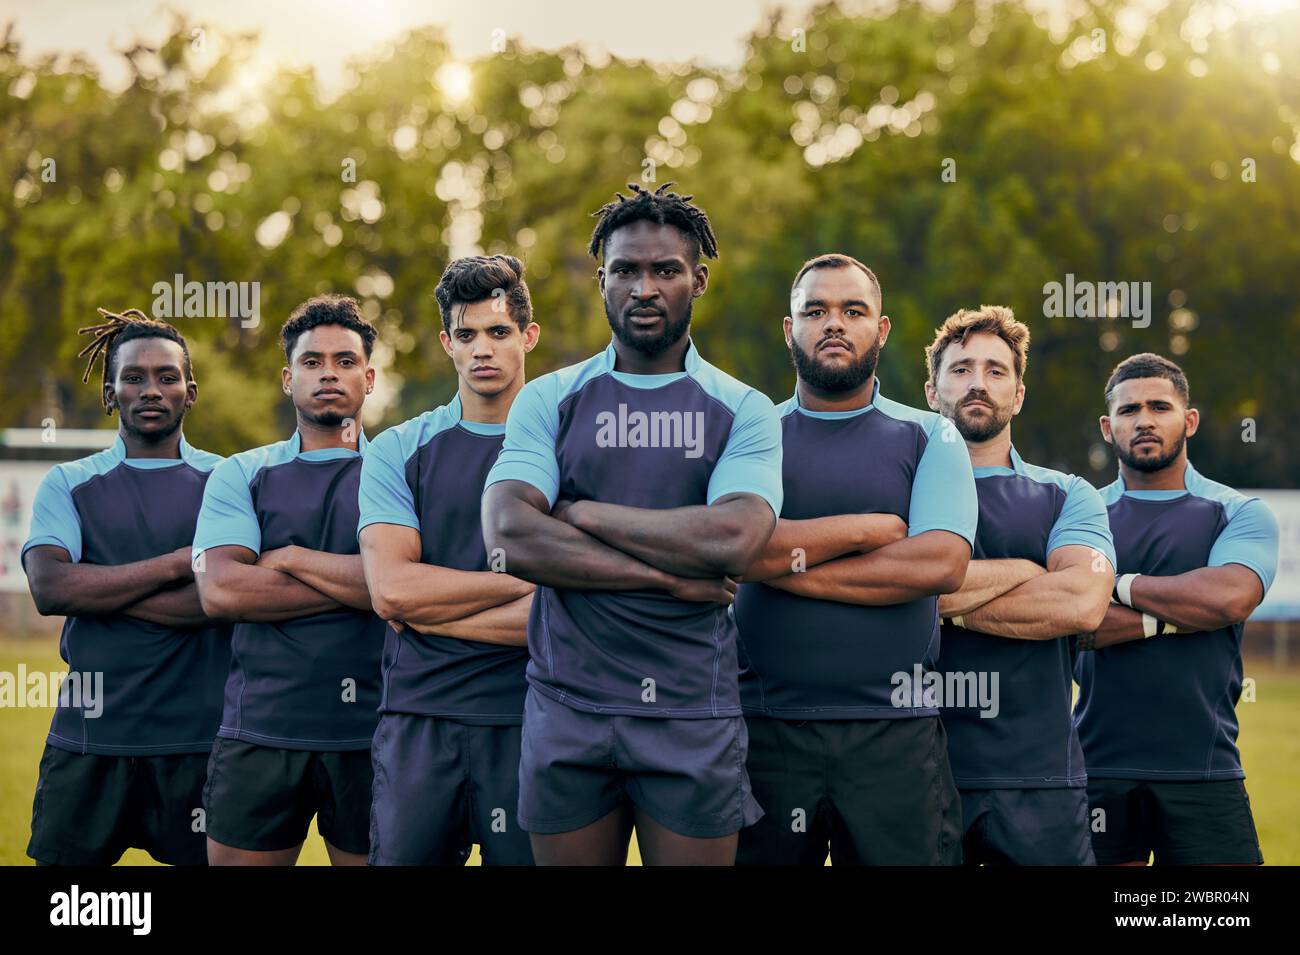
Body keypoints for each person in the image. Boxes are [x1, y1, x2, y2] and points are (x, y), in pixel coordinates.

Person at [481, 183, 783, 865]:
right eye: (625, 270)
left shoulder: (743, 408)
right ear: (602, 282)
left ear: (697, 281)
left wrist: (583, 513)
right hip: (567, 706)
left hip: (691, 711)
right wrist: (669, 577)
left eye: (665, 270)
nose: (644, 288)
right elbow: (508, 535)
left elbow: (733, 539)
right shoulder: (549, 398)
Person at [23, 309, 230, 865]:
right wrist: (178, 563)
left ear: (190, 392)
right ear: (110, 394)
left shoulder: (227, 482)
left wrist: (100, 590)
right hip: (90, 739)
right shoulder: (69, 482)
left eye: (167, 376)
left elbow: (222, 599)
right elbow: (50, 588)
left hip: (200, 743)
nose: (151, 389)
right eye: (133, 377)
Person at [194, 296, 386, 866]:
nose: (329, 373)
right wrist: (365, 586)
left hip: (375, 734)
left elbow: (404, 587)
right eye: (312, 362)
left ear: (369, 378)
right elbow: (221, 590)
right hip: (261, 731)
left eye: (346, 362)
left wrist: (291, 557)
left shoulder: (400, 470)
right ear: (288, 378)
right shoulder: (241, 472)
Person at [360, 255, 539, 865]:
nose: (482, 348)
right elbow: (391, 592)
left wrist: (427, 612)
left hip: (533, 717)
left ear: (528, 336)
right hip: (419, 719)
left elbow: (571, 612)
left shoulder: (567, 448)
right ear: (447, 344)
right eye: (466, 335)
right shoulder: (398, 449)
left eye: (499, 331)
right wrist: (522, 586)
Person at [925, 305, 1114, 865]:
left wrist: (937, 600)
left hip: (1040, 777)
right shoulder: (898, 489)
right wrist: (1027, 571)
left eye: (995, 370)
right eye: (961, 370)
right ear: (932, 392)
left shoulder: (1068, 494)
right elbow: (884, 584)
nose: (977, 383)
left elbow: (1082, 602)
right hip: (915, 775)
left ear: (1020, 394)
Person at [1074, 353, 1278, 865]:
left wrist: (1114, 585)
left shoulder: (1237, 512)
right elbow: (1073, 622)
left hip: (1203, 768)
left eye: (1159, 407)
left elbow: (1229, 597)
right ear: (1107, 427)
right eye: (1129, 410)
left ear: (1188, 420)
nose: (1144, 420)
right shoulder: (1080, 513)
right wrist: (1184, 613)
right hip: (1096, 767)